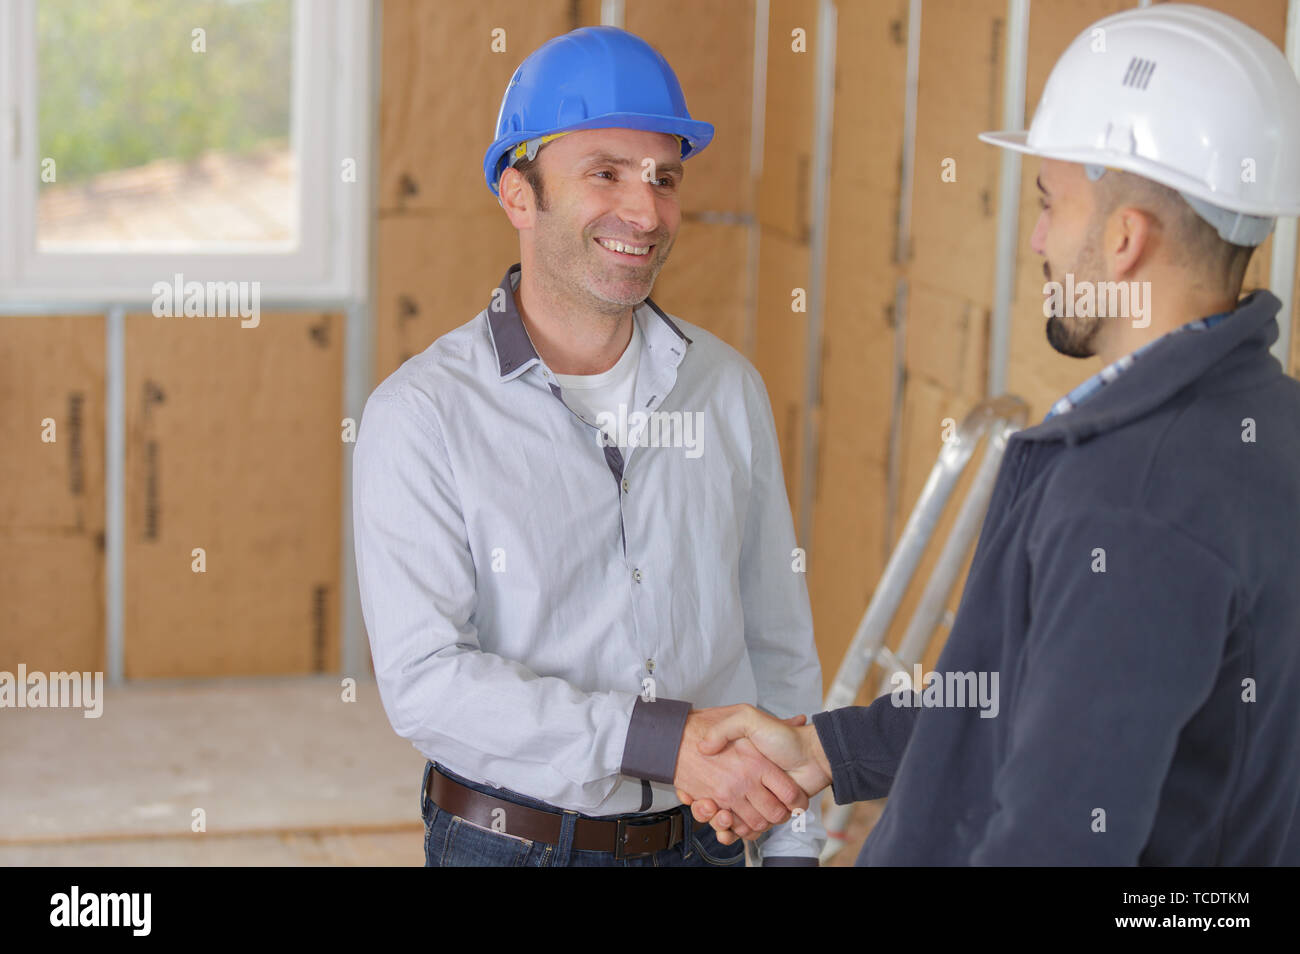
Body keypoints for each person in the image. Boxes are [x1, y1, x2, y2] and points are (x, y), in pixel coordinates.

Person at [686, 3, 1300, 865]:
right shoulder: (1264, 427)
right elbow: (1041, 689)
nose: (1040, 240)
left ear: (1124, 240)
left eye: (1051, 206)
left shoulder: (1133, 497)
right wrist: (827, 750)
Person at [353, 25, 825, 866]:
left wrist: (793, 844)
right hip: (513, 848)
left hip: (704, 846)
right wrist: (658, 741)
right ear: (518, 194)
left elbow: (775, 638)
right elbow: (429, 682)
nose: (646, 212)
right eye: (605, 172)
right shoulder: (422, 415)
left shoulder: (726, 389)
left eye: (664, 178)